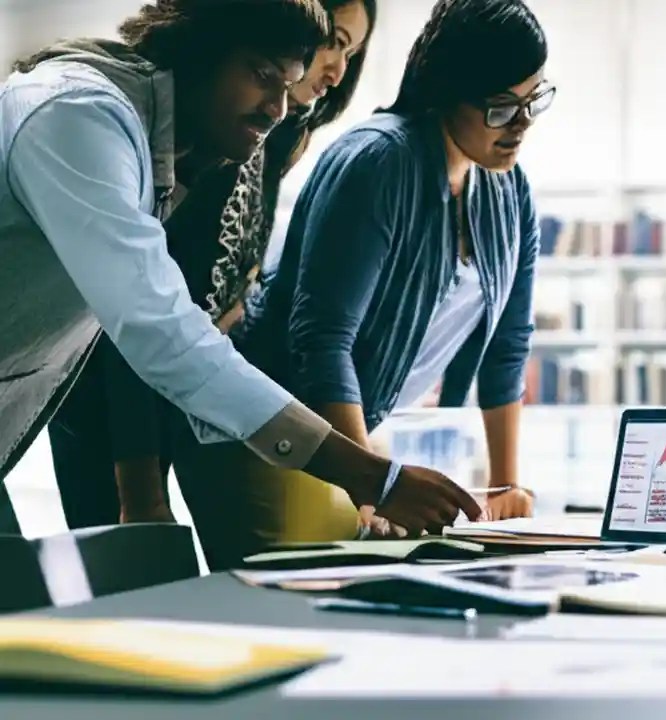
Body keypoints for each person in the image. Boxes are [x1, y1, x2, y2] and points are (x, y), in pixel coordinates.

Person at [0, 0, 480, 538]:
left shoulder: (165, 142)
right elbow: (162, 332)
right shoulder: (80, 115)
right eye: (261, 75)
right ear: (199, 51)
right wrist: (370, 477)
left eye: (288, 84)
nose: (277, 107)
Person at [175, 0, 549, 561]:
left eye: (533, 101)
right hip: (263, 427)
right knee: (292, 608)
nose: (520, 126)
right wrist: (373, 482)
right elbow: (324, 340)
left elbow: (507, 348)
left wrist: (506, 488)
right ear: (447, 90)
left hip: (341, 435)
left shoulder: (508, 189)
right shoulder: (377, 161)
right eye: (500, 108)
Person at [46, 0, 379, 532]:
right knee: (115, 574)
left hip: (176, 392)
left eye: (351, 52)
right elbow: (139, 322)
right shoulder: (170, 126)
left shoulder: (266, 137)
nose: (338, 69)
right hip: (108, 401)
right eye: (335, 41)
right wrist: (142, 488)